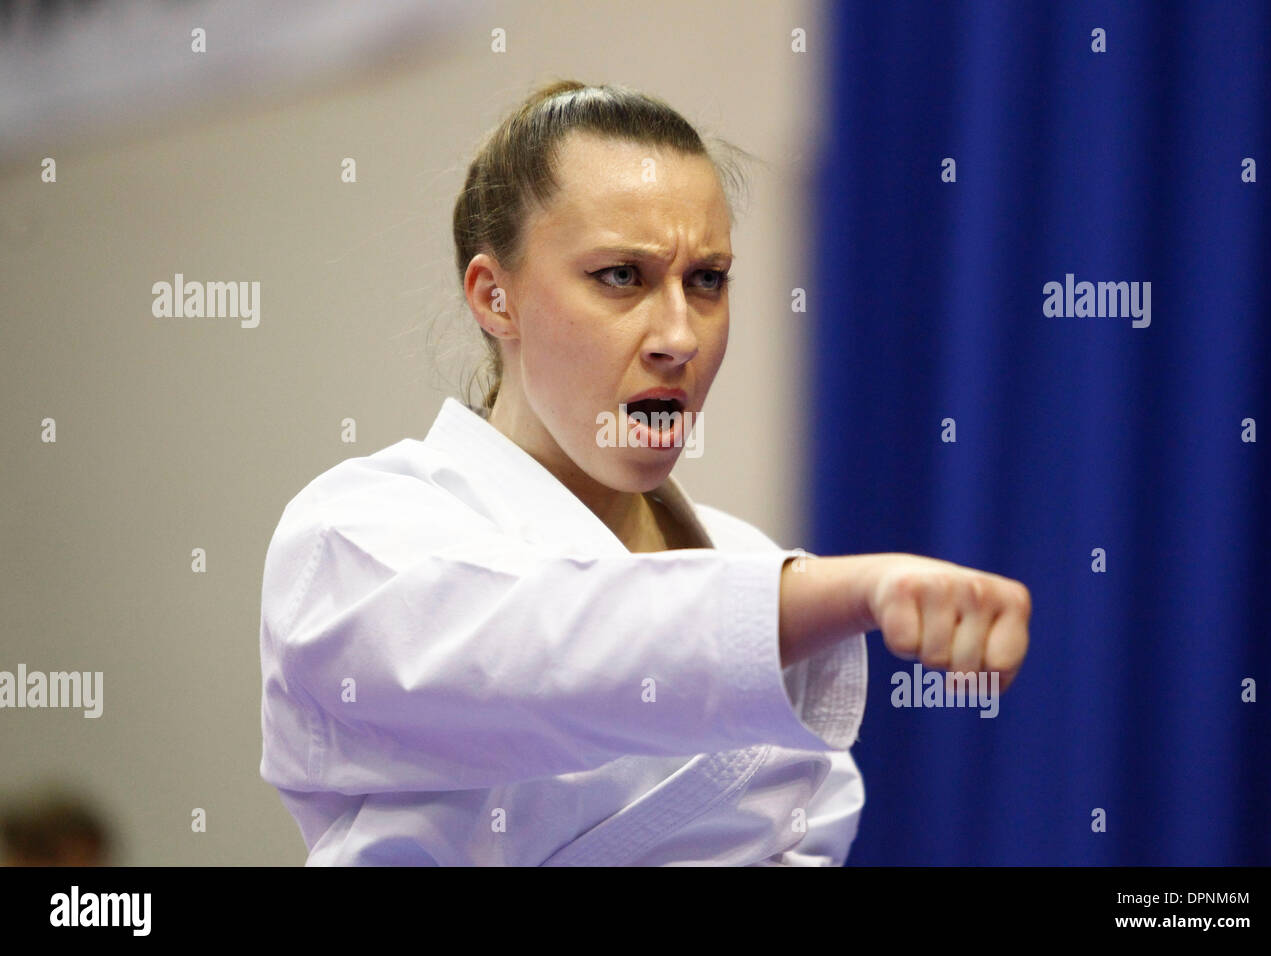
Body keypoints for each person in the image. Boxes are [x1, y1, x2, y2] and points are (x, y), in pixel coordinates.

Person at [257, 80, 1031, 866]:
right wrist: (845, 593)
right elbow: (543, 648)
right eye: (621, 276)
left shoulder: (750, 563)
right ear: (496, 297)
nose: (678, 337)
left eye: (706, 281)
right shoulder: (353, 533)